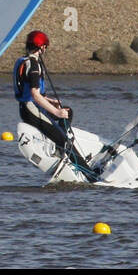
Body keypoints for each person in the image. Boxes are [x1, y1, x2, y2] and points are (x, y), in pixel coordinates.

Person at [13, 30, 91, 170]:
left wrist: (49, 100)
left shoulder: (23, 60)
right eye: (45, 47)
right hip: (31, 110)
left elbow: (31, 92)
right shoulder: (34, 65)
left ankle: (59, 150)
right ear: (41, 47)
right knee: (65, 141)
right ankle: (90, 174)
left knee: (68, 111)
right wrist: (56, 111)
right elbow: (34, 94)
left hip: (30, 107)